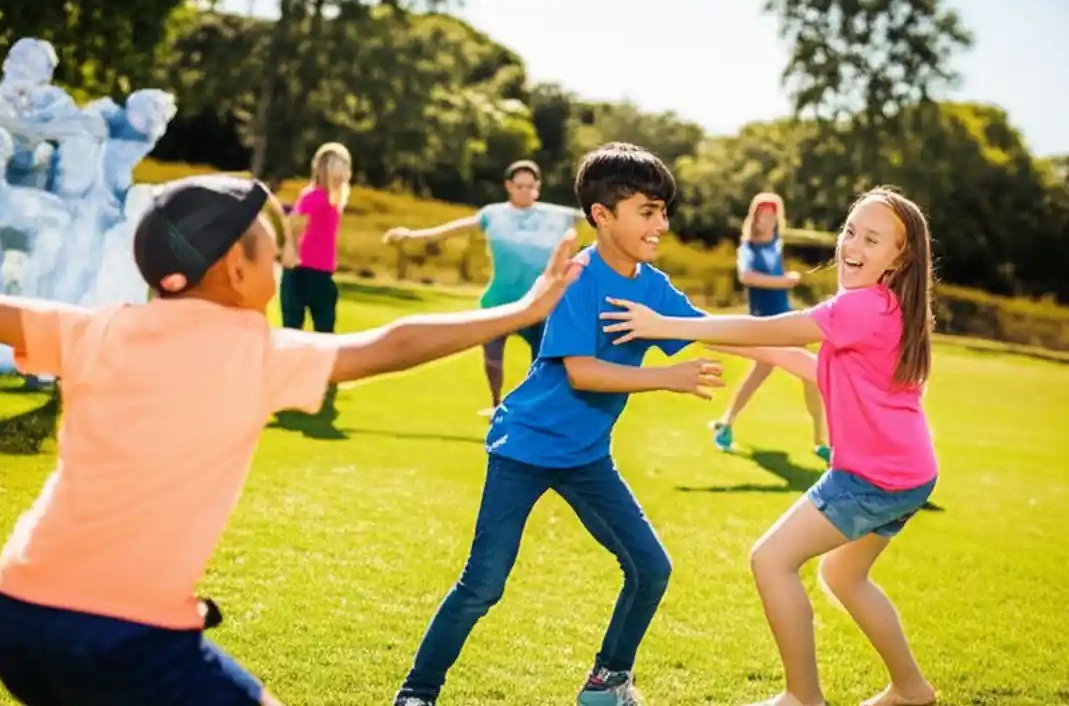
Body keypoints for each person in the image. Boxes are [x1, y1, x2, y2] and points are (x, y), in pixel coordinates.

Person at [0, 173, 584, 706]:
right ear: (236, 269)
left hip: (19, 617)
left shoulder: (91, 329)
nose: (279, 266)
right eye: (273, 254)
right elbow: (394, 343)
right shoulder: (262, 355)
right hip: (128, 638)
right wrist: (522, 310)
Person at [393, 143, 724, 706]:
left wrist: (815, 338)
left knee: (650, 568)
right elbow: (582, 373)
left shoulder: (652, 285)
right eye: (648, 211)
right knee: (484, 584)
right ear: (602, 215)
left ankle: (607, 682)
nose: (661, 224)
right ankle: (417, 693)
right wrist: (666, 377)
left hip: (585, 456)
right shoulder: (579, 277)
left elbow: (717, 328)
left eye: (664, 211)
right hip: (523, 447)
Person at [599, 186, 940, 706]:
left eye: (872, 239)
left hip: (873, 479)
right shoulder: (888, 308)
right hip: (909, 476)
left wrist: (665, 324)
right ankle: (910, 689)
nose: (853, 244)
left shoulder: (860, 308)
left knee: (771, 560)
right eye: (850, 231)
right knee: (843, 575)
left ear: (901, 257)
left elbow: (769, 327)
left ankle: (803, 698)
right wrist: (698, 333)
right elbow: (804, 363)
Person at [383, 160, 584, 415]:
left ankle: (535, 408)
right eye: (519, 186)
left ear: (538, 187)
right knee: (492, 358)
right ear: (509, 186)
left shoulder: (559, 215)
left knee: (544, 361)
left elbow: (599, 217)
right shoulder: (493, 214)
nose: (525, 191)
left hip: (542, 303)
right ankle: (496, 404)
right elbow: (453, 229)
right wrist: (412, 236)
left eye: (530, 186)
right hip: (499, 300)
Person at [711, 192, 829, 463]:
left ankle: (822, 441)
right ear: (755, 218)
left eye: (772, 216)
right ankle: (726, 425)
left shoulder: (775, 243)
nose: (768, 220)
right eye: (763, 215)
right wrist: (784, 281)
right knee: (762, 374)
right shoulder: (748, 249)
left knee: (811, 374)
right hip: (764, 323)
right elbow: (746, 277)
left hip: (786, 320)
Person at [281, 142, 351, 333]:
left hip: (322, 274)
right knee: (293, 331)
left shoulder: (333, 200)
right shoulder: (314, 195)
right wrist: (291, 254)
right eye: (338, 169)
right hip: (302, 272)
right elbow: (294, 225)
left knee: (325, 332)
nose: (342, 176)